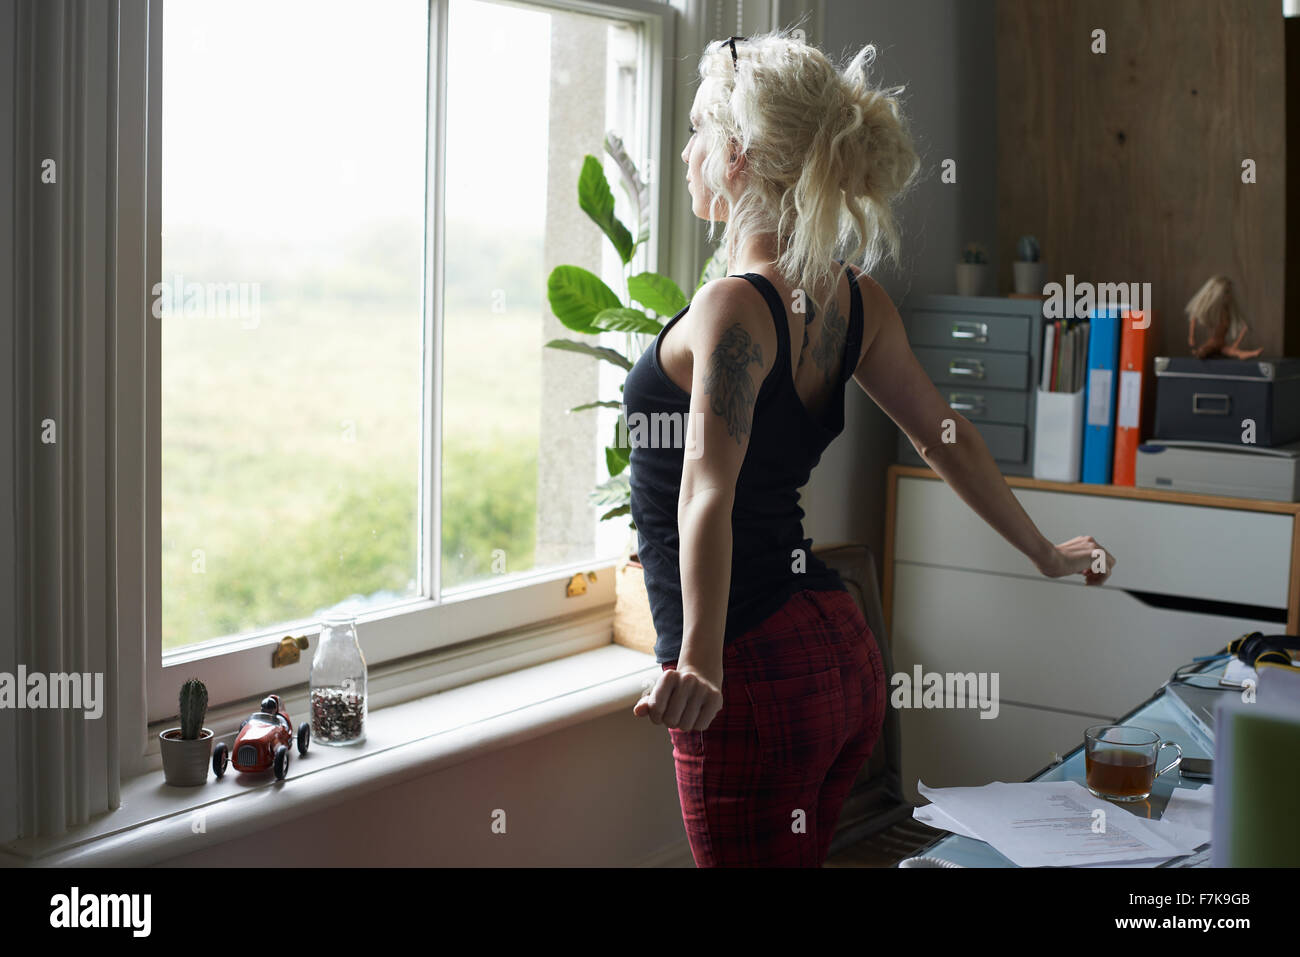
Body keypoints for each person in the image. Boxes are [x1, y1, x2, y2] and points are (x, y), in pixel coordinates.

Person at [625, 29, 1116, 868]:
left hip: (755, 667)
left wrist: (701, 660)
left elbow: (706, 491)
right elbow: (946, 437)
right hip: (841, 653)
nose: (684, 151)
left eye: (702, 130)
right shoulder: (858, 300)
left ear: (740, 156)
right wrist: (1040, 549)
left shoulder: (731, 307)